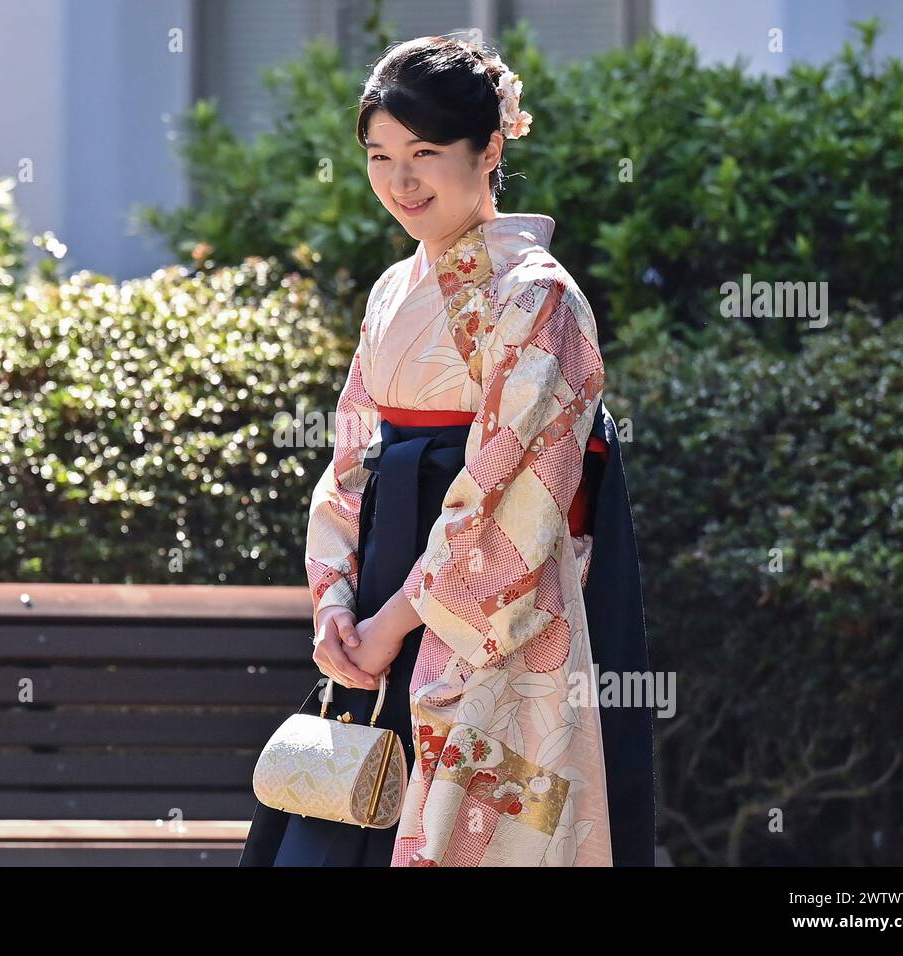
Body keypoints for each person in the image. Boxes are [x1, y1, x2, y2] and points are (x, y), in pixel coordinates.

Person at [239, 33, 654, 867]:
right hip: (381, 611)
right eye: (380, 155)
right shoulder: (395, 288)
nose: (400, 180)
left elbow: (516, 499)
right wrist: (334, 603)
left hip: (493, 620)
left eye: (425, 153)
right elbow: (351, 456)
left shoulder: (538, 297)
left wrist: (394, 622)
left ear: (490, 148)